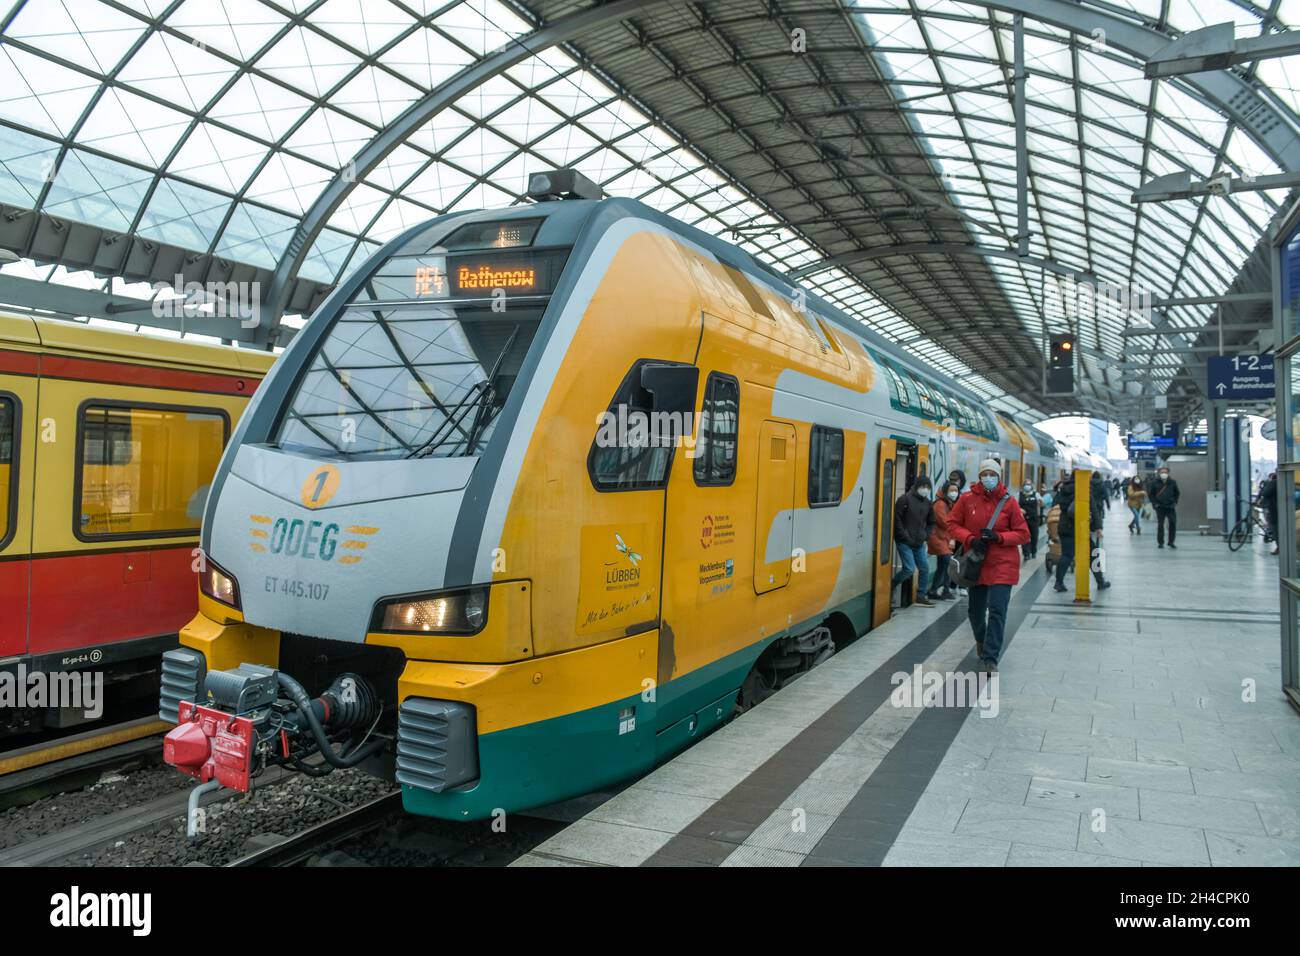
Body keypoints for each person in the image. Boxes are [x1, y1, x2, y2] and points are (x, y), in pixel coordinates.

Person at [948, 459, 1030, 673]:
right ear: (979, 476)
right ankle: (981, 640)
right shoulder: (966, 500)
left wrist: (999, 537)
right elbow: (952, 524)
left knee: (997, 610)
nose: (988, 478)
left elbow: (1024, 534)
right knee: (975, 611)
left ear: (999, 476)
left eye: (992, 474)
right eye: (984, 473)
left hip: (1003, 564)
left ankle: (990, 658)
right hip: (977, 564)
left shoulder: (1009, 502)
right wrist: (969, 539)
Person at [1053, 473, 1111, 593]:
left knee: (1066, 555)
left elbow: (1055, 505)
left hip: (1064, 527)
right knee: (1093, 554)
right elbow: (1094, 510)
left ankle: (1058, 582)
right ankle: (1100, 582)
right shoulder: (1083, 489)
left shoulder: (1063, 489)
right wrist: (1098, 528)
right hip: (1080, 528)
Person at [893, 474, 936, 607]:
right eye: (923, 486)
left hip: (919, 542)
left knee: (924, 568)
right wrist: (905, 536)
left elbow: (931, 522)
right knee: (909, 568)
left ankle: (921, 595)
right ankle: (891, 585)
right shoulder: (904, 500)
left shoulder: (928, 503)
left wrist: (926, 535)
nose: (925, 489)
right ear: (917, 486)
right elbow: (897, 520)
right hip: (904, 541)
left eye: (928, 487)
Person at [925, 480, 960, 601]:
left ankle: (934, 590)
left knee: (943, 565)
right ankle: (943, 589)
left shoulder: (949, 503)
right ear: (945, 491)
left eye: (956, 491)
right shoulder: (940, 504)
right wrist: (956, 527)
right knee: (946, 563)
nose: (954, 493)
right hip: (937, 538)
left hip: (944, 538)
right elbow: (945, 522)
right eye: (951, 490)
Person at [1148, 465, 1180, 549]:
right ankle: (1160, 542)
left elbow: (1177, 493)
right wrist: (1155, 504)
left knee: (1172, 523)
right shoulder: (1155, 482)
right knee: (1160, 525)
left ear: (1168, 473)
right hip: (1160, 507)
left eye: (1165, 472)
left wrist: (1175, 502)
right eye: (1162, 472)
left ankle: (1171, 542)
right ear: (1159, 473)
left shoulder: (1172, 482)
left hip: (1170, 506)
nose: (1164, 474)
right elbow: (1151, 495)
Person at [1018, 479, 1042, 560]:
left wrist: (1041, 502)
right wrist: (1020, 510)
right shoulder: (1020, 494)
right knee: (1024, 536)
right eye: (1026, 484)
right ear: (1023, 485)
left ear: (1031, 485)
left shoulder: (1036, 494)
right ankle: (1026, 554)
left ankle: (1033, 551)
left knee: (1034, 536)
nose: (1027, 486)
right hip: (1023, 519)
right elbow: (1015, 505)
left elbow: (1042, 504)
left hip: (1034, 519)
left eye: (1029, 484)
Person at [1260, 471, 1279, 555]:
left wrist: (1267, 484)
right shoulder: (1285, 482)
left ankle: (1280, 547)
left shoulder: (1274, 483)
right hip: (1282, 510)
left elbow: (1265, 493)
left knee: (1275, 529)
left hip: (1274, 510)